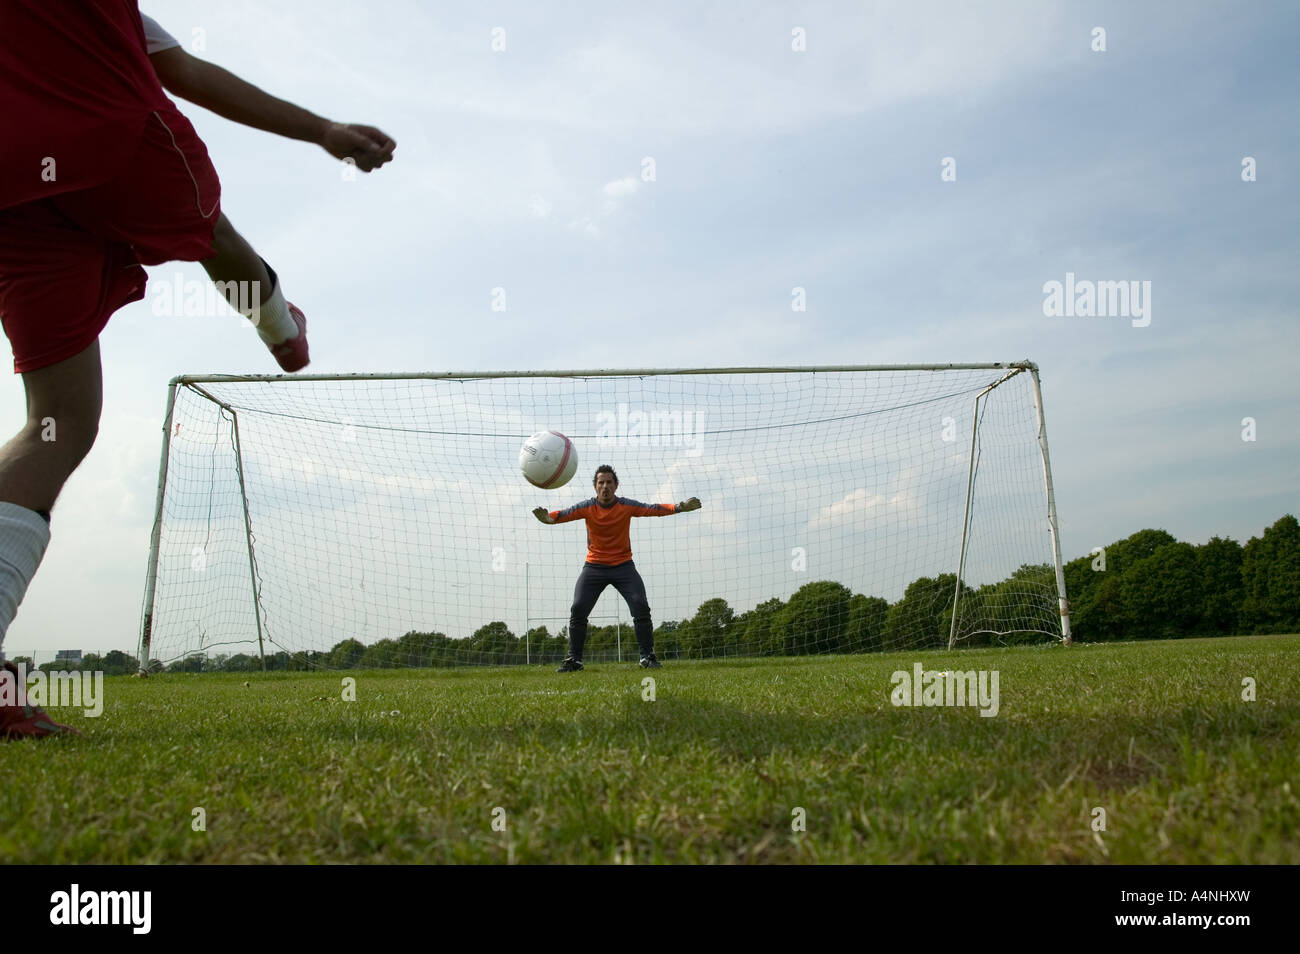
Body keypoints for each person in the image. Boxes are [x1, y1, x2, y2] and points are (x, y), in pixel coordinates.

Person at [0, 2, 395, 737]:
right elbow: (185, 73)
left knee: (55, 425)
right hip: (114, 136)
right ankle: (279, 323)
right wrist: (324, 132)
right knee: (209, 231)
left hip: (12, 194)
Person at [533, 465, 701, 671]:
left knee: (640, 605)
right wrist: (549, 518)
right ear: (595, 487)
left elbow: (652, 509)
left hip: (623, 566)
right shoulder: (587, 507)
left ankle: (647, 657)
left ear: (616, 485)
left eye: (609, 482)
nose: (605, 486)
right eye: (600, 482)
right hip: (594, 567)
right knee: (578, 609)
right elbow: (563, 514)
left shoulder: (626, 506)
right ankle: (574, 660)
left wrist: (679, 507)